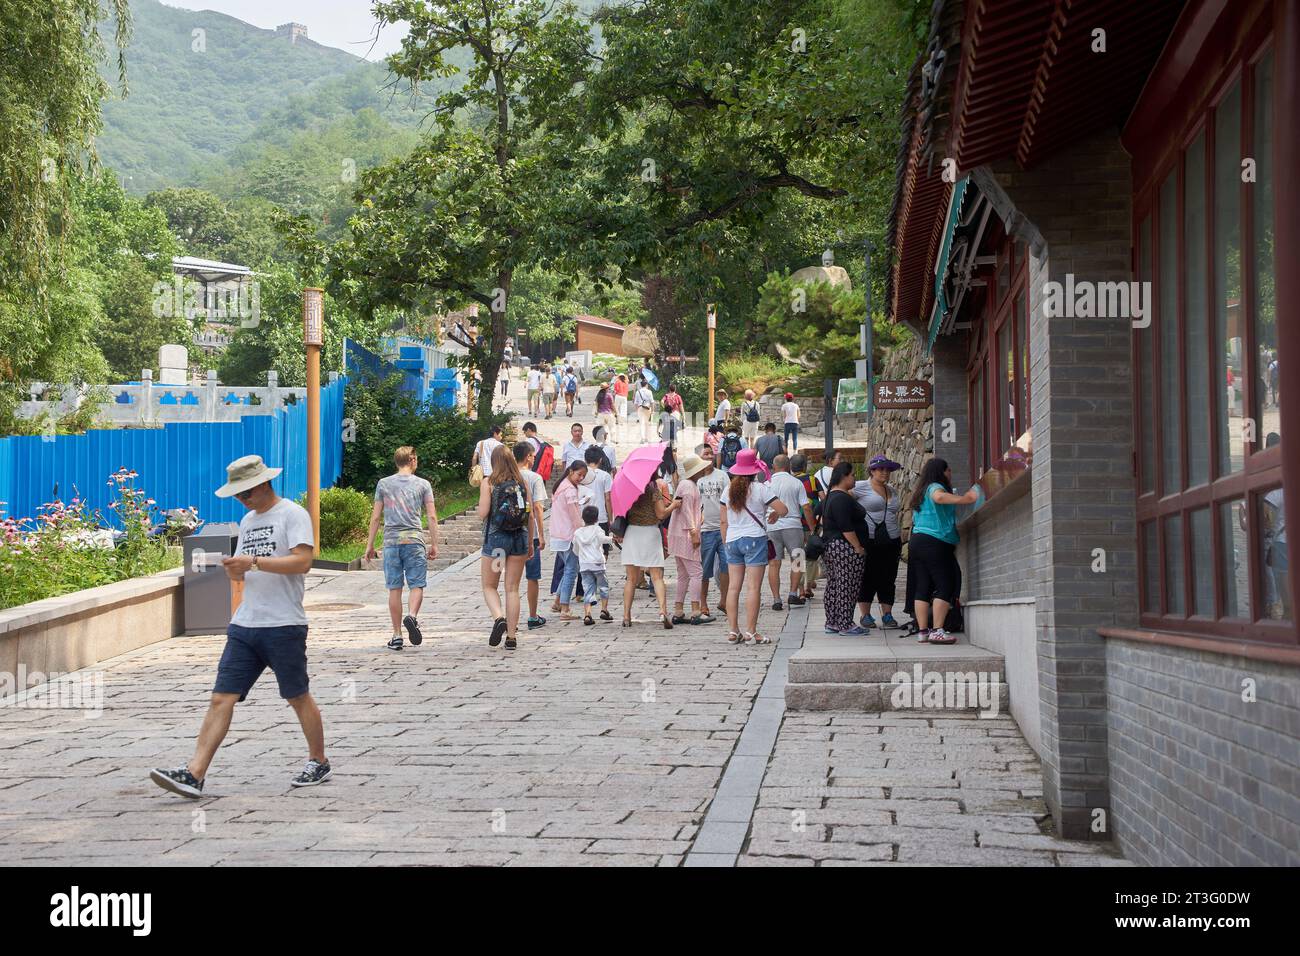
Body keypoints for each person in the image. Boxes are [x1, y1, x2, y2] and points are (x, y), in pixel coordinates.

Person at [150, 455, 328, 798]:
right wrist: (236, 569)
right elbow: (245, 572)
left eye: (245, 492)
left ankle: (318, 760)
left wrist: (255, 562)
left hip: (283, 623)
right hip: (246, 624)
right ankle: (194, 773)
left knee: (297, 695)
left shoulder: (292, 514)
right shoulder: (247, 521)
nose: (241, 499)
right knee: (221, 697)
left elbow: (304, 561)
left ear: (263, 484)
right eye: (237, 494)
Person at [365, 445, 439, 651]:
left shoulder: (383, 484)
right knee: (417, 584)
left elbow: (376, 517)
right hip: (414, 540)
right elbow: (432, 516)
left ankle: (397, 635)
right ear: (413, 460)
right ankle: (412, 616)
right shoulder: (423, 484)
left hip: (391, 542)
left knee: (394, 589)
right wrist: (434, 543)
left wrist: (370, 544)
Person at [907, 457, 979, 644]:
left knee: (922, 587)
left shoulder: (920, 492)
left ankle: (923, 631)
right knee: (945, 584)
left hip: (917, 541)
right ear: (941, 472)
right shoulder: (934, 488)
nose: (950, 474)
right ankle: (938, 630)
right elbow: (939, 497)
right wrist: (966, 499)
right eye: (948, 471)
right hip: (935, 541)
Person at [720, 449, 787, 645]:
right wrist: (774, 515)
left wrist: (726, 543)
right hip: (755, 539)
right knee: (753, 588)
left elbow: (723, 522)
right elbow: (783, 509)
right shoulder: (760, 489)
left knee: (733, 588)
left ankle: (733, 631)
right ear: (753, 470)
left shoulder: (728, 490)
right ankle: (750, 631)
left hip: (732, 540)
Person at [477, 445, 534, 650]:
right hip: (519, 540)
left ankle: (498, 617)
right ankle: (511, 637)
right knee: (512, 588)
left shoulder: (489, 482)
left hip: (497, 543)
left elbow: (483, 513)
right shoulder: (522, 482)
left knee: (490, 586)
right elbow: (530, 515)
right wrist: (530, 543)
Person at [616, 471, 677, 628]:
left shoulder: (627, 491)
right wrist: (674, 505)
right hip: (650, 533)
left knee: (631, 579)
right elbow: (661, 514)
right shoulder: (653, 489)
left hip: (632, 533)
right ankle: (663, 611)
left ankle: (626, 616)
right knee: (657, 577)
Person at [854, 454, 904, 629]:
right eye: (881, 469)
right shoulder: (861, 487)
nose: (885, 472)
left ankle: (887, 614)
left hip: (892, 539)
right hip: (870, 539)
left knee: (889, 577)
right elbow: (841, 497)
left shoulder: (892, 490)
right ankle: (865, 615)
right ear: (872, 470)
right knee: (868, 576)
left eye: (887, 469)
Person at [819, 460, 869, 634]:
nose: (855, 478)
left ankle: (832, 621)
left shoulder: (829, 497)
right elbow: (845, 526)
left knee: (834, 584)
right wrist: (858, 547)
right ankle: (845, 624)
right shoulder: (841, 498)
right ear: (844, 476)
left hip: (832, 546)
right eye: (853, 475)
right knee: (847, 585)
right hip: (844, 548)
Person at [766, 454, 813, 611]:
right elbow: (806, 507)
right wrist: (812, 528)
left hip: (772, 527)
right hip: (793, 525)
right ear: (789, 466)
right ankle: (793, 594)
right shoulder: (796, 483)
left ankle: (776, 599)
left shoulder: (766, 483)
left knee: (774, 564)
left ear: (774, 467)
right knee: (797, 560)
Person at [668, 454, 707, 625]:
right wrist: (693, 532)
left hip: (677, 533)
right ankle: (695, 610)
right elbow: (688, 512)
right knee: (696, 573)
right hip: (686, 534)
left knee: (683, 575)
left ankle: (678, 610)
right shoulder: (690, 487)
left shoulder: (684, 484)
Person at [514, 441, 549, 630]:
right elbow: (537, 507)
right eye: (533, 455)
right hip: (530, 534)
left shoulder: (507, 476)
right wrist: (541, 535)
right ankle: (533, 616)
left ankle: (510, 618)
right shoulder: (534, 478)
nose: (534, 457)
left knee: (512, 579)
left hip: (511, 533)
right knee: (532, 576)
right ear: (527, 456)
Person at [695, 445, 729, 622]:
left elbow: (729, 501)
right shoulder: (696, 479)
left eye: (711, 454)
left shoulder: (722, 476)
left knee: (726, 567)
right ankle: (703, 603)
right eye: (705, 454)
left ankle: (724, 600)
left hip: (723, 528)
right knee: (704, 571)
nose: (709, 456)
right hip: (705, 530)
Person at [549, 459, 587, 619]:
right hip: (568, 535)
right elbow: (575, 517)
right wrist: (583, 533)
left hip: (557, 534)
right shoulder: (570, 490)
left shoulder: (561, 485)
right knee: (571, 570)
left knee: (568, 569)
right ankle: (565, 608)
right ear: (571, 471)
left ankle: (558, 601)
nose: (580, 478)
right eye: (579, 474)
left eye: (583, 476)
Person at [573, 505, 615, 625]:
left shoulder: (577, 533)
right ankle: (604, 609)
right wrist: (613, 539)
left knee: (588, 589)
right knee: (603, 586)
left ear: (583, 518)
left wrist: (581, 554)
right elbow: (603, 539)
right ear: (596, 519)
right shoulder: (597, 530)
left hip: (585, 565)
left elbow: (575, 550)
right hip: (597, 563)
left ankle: (587, 614)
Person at [790, 453, 820, 599]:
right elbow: (824, 499)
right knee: (812, 556)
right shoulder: (813, 480)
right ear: (805, 466)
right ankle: (809, 585)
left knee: (797, 556)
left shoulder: (789, 481)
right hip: (811, 523)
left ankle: (800, 590)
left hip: (795, 524)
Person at [580, 445, 615, 551]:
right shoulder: (605, 476)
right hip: (601, 515)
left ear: (585, 460)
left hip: (583, 515)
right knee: (603, 546)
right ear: (600, 460)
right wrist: (610, 518)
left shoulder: (580, 475)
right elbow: (608, 499)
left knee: (586, 547)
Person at [634, 378, 655, 443]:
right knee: (647, 423)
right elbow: (652, 402)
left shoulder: (638, 392)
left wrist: (636, 410)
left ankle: (642, 438)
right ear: (646, 385)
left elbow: (635, 403)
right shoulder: (649, 392)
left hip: (640, 408)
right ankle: (647, 438)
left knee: (641, 424)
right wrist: (653, 410)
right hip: (648, 408)